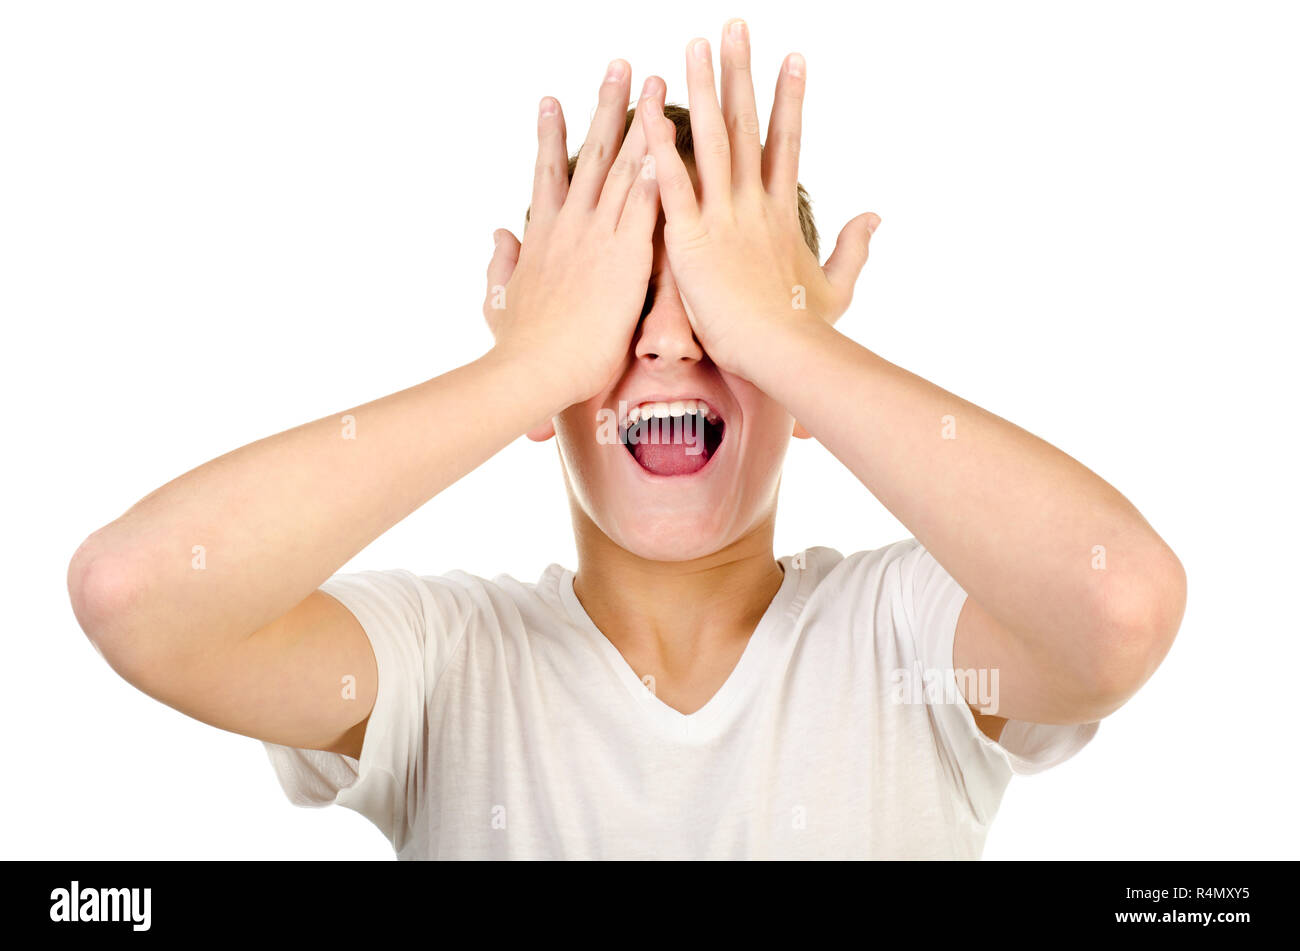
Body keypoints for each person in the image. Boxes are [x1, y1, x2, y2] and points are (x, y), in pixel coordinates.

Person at [66, 20, 1186, 859]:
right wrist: (522, 366)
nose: (667, 342)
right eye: (619, 306)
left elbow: (1118, 607)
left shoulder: (905, 642)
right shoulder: (446, 665)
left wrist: (796, 346)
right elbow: (135, 592)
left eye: (716, 306)